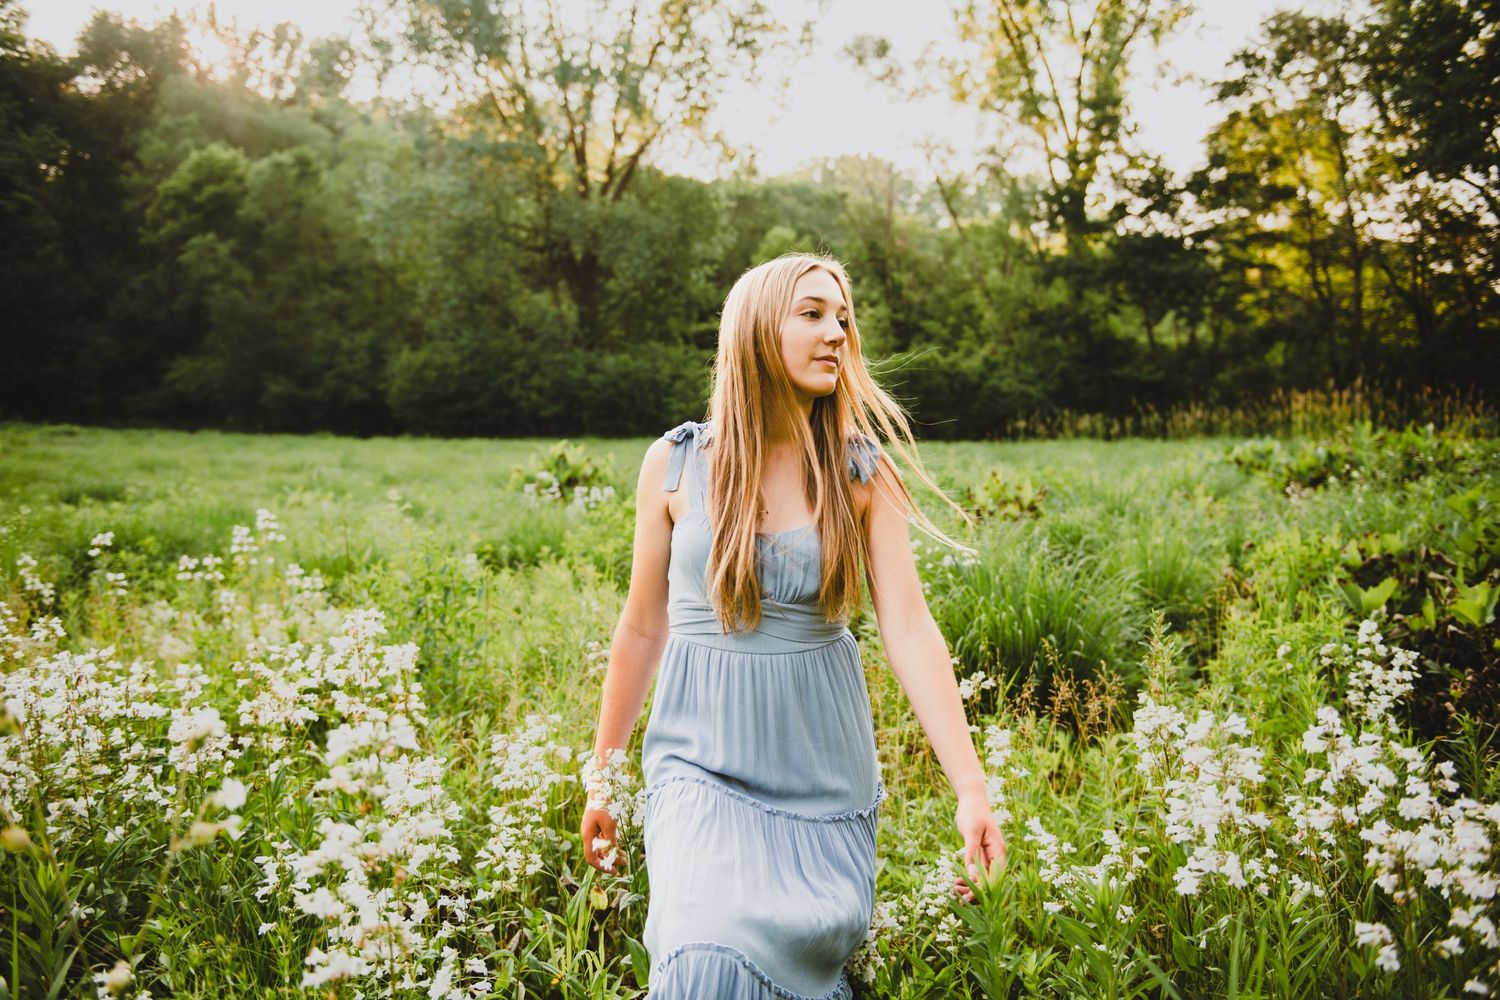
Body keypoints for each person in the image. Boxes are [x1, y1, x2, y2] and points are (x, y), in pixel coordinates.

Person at [580, 252, 1007, 998]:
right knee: (703, 947)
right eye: (811, 314)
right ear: (754, 330)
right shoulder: (675, 463)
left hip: (820, 772)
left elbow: (909, 629)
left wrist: (971, 788)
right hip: (698, 761)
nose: (837, 332)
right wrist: (605, 780)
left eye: (843, 318)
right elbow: (643, 627)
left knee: (789, 966)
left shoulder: (861, 472)